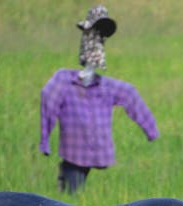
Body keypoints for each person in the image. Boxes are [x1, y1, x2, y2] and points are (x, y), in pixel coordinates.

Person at [39, 5, 159, 193]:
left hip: (97, 153)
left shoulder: (106, 86)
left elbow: (130, 94)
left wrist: (151, 130)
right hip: (74, 153)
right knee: (72, 191)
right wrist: (44, 141)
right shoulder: (64, 81)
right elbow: (49, 98)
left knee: (81, 193)